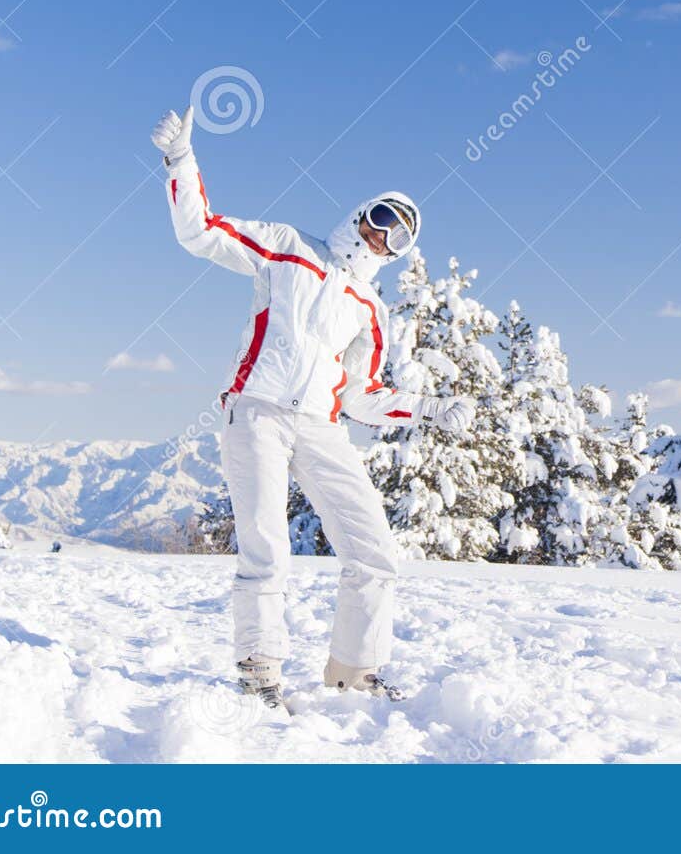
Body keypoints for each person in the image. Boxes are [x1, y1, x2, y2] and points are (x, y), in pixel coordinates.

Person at [150, 106, 475, 709]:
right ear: (361, 214)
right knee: (268, 546)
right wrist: (181, 159)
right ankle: (258, 669)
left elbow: (361, 396)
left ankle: (353, 670)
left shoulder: (371, 309)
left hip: (322, 427)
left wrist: (426, 409)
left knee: (374, 551)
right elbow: (199, 233)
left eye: (399, 235)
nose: (384, 235)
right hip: (258, 411)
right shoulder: (288, 247)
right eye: (382, 219)